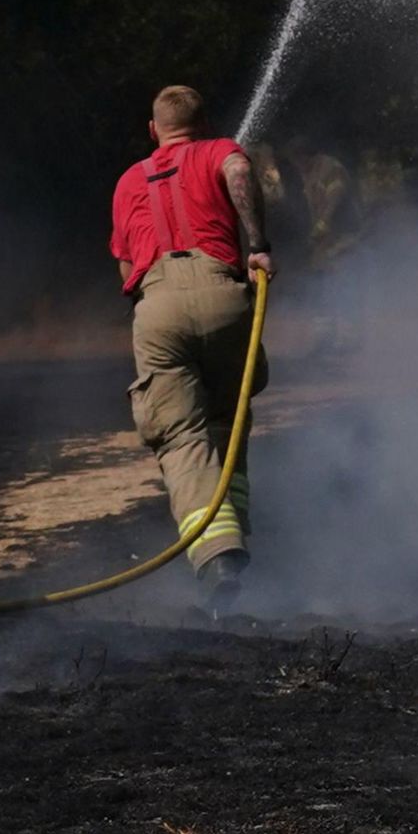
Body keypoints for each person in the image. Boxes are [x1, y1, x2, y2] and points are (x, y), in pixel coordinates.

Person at [110, 86, 273, 611]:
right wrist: (258, 246)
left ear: (153, 131)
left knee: (181, 434)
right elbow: (240, 174)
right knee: (229, 418)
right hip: (227, 295)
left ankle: (218, 555)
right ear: (203, 125)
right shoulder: (218, 150)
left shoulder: (129, 179)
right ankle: (237, 530)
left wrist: (153, 309)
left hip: (157, 304)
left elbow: (124, 266)